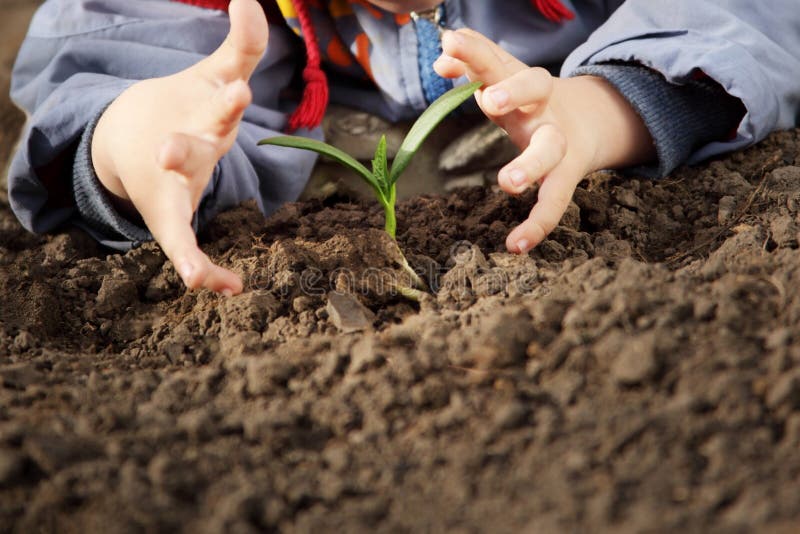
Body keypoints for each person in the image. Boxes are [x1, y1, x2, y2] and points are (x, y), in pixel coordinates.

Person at [8, 0, 799, 296]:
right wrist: (130, 141)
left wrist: (606, 108)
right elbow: (113, 49)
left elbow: (754, 14)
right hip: (312, 103)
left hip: (553, 87)